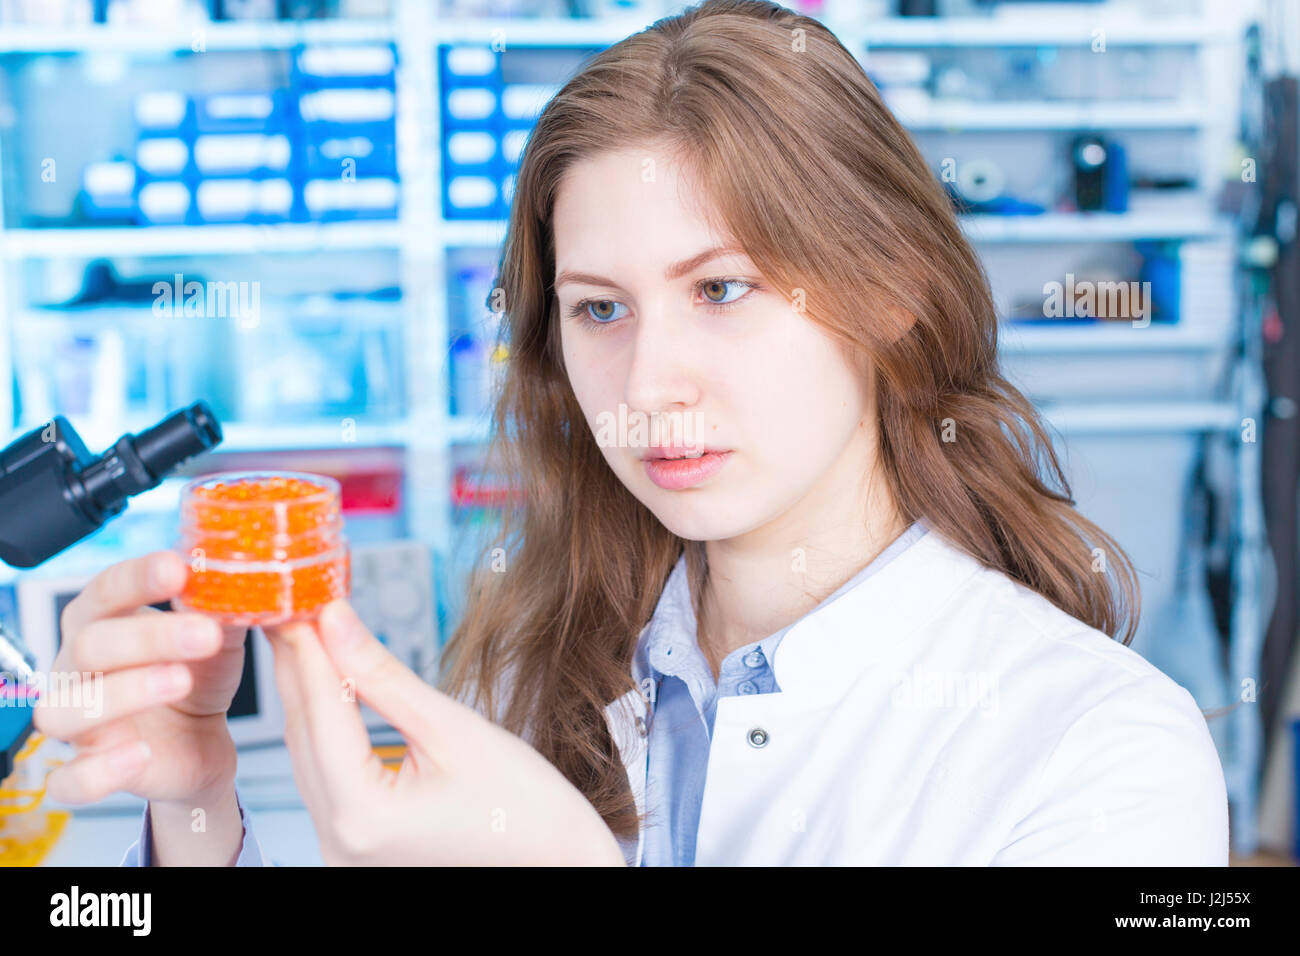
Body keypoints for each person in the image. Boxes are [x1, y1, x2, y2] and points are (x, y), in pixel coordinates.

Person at [33, 0, 1228, 866]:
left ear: (890, 290)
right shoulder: (535, 667)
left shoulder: (1101, 751)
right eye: (599, 309)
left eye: (721, 289)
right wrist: (193, 810)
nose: (649, 379)